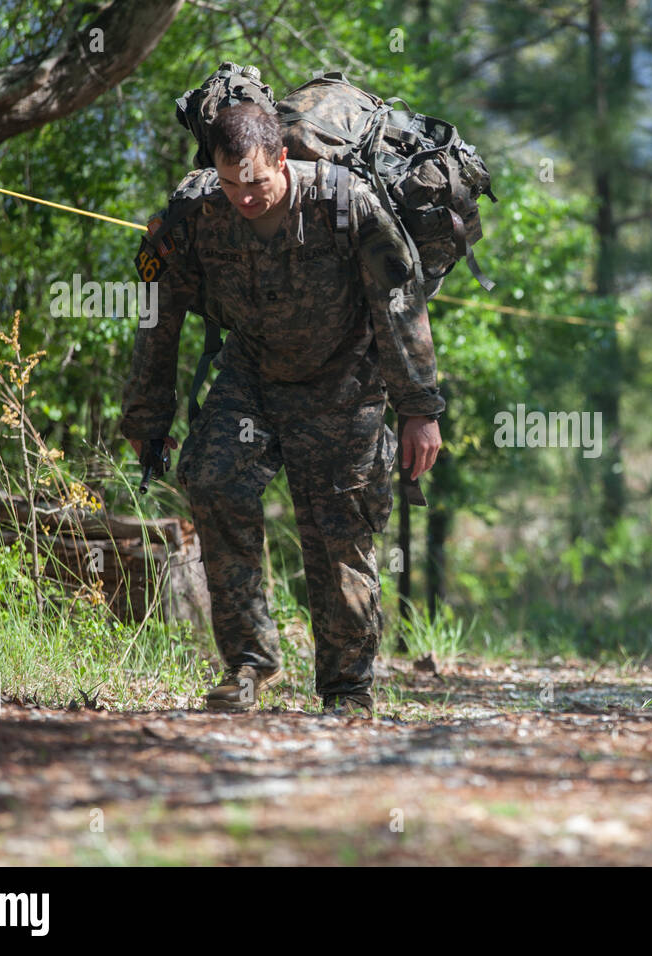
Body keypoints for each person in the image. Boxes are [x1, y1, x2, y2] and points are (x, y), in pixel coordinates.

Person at [120, 103, 444, 716]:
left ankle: (347, 689)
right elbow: (156, 313)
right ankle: (248, 662)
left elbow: (398, 306)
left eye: (257, 182)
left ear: (282, 161)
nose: (244, 196)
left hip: (344, 380)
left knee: (337, 531)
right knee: (212, 480)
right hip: (253, 375)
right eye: (230, 182)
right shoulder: (197, 214)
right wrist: (147, 418)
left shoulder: (346, 205)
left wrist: (419, 409)